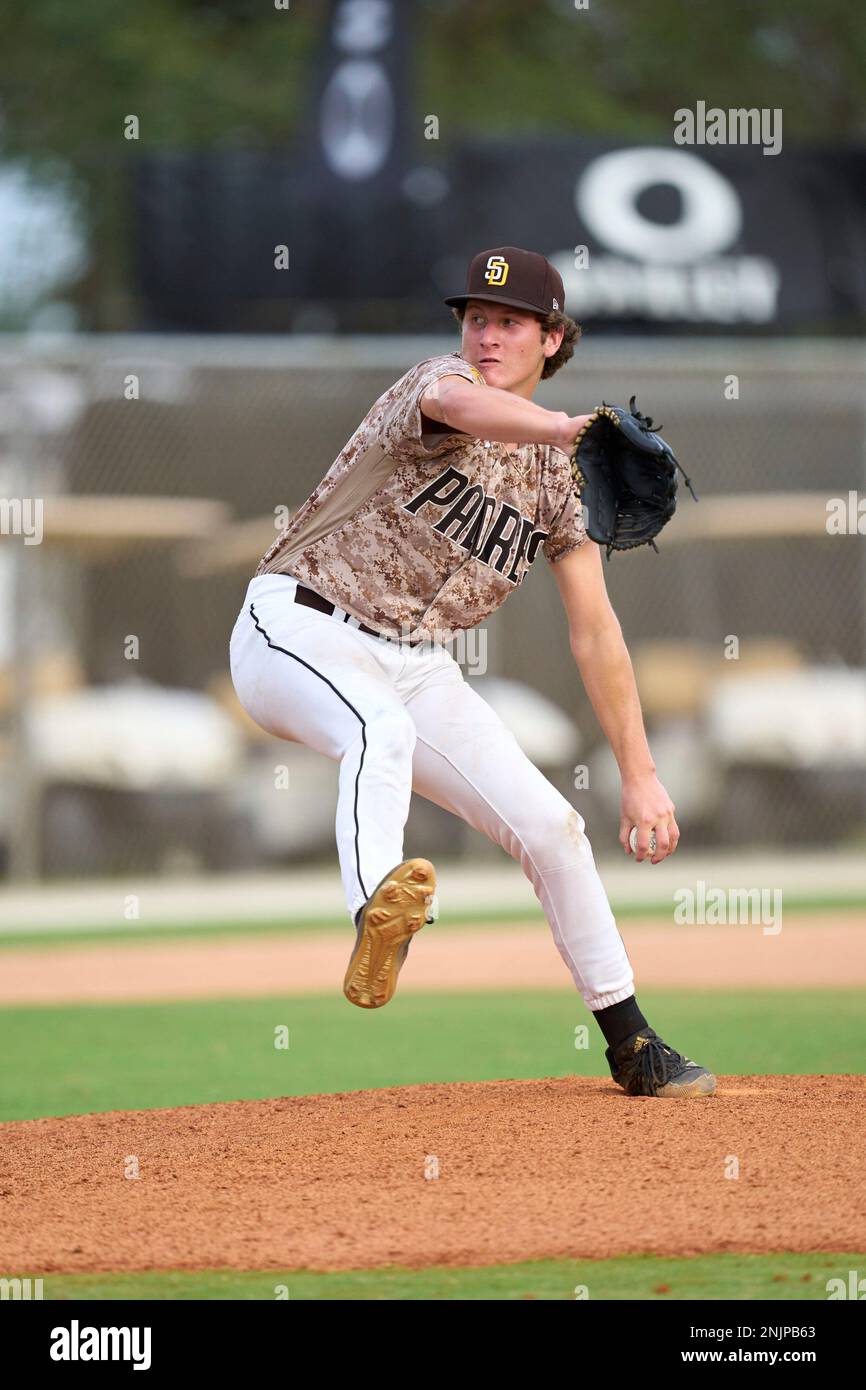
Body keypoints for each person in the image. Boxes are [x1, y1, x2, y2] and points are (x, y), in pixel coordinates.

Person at [229, 246, 716, 1099]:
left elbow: (596, 631)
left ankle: (632, 1043)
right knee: (378, 731)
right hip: (295, 627)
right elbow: (463, 403)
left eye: (510, 322)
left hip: (416, 666)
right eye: (476, 317)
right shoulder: (436, 383)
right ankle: (379, 911)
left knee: (554, 828)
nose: (486, 334)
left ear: (552, 338)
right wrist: (568, 427)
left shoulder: (559, 483)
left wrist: (640, 777)